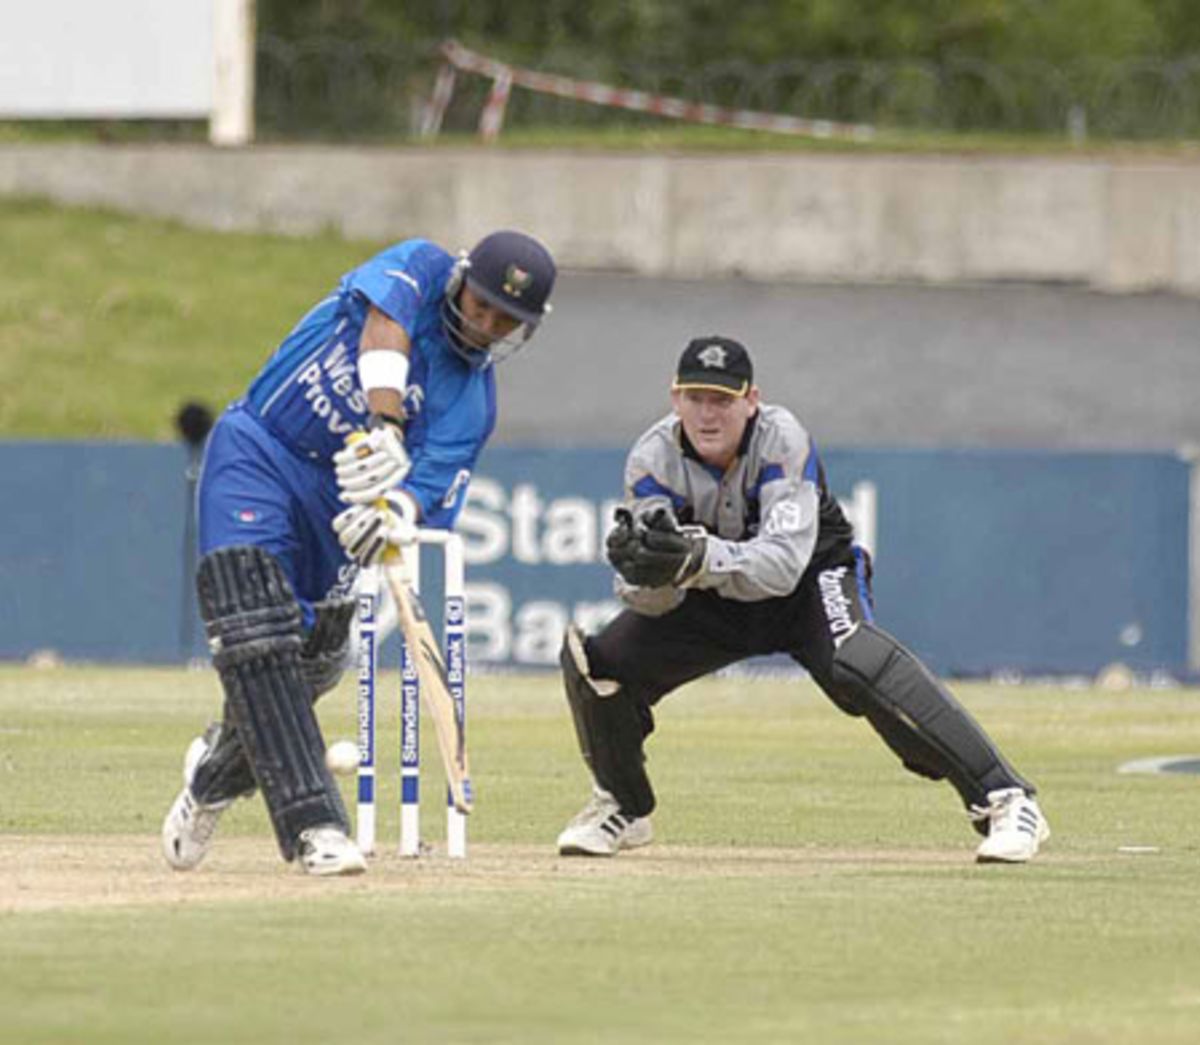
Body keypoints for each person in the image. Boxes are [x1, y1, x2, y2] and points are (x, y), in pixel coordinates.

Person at [555, 336, 1049, 864]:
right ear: (674, 399)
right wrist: (642, 573)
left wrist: (696, 556)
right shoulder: (651, 460)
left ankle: (1007, 798)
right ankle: (624, 807)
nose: (708, 414)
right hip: (714, 595)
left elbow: (782, 566)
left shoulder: (781, 439)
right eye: (696, 398)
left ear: (752, 400)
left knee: (857, 658)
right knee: (597, 662)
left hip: (809, 582)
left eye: (723, 400)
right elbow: (653, 602)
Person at [161, 230, 556, 876]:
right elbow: (383, 327)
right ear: (459, 280)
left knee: (313, 663)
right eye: (478, 304)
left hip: (334, 508)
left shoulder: (470, 404)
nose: (481, 325)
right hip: (262, 448)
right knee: (252, 623)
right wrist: (386, 423)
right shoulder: (420, 267)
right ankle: (315, 823)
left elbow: (425, 495)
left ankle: (212, 776)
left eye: (502, 320)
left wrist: (391, 516)